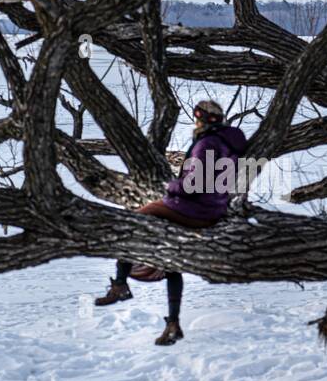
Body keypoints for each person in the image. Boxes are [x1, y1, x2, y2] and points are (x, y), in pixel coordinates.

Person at [94, 100, 247, 345]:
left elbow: (193, 184)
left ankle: (120, 284)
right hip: (215, 207)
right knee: (172, 261)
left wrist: (171, 186)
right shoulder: (232, 142)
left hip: (196, 209)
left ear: (202, 120)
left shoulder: (207, 143)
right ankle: (173, 324)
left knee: (134, 220)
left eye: (197, 118)